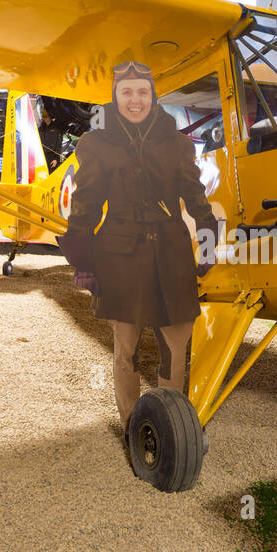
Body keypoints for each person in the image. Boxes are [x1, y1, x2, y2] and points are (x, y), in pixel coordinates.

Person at [58, 62, 219, 435]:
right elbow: (85, 206)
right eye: (127, 92)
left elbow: (198, 202)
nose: (135, 100)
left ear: (153, 96)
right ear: (115, 96)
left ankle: (171, 428)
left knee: (176, 346)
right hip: (119, 258)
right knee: (125, 348)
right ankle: (132, 427)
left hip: (172, 255)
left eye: (142, 92)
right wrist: (83, 262)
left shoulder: (178, 144)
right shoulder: (95, 145)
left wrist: (207, 248)